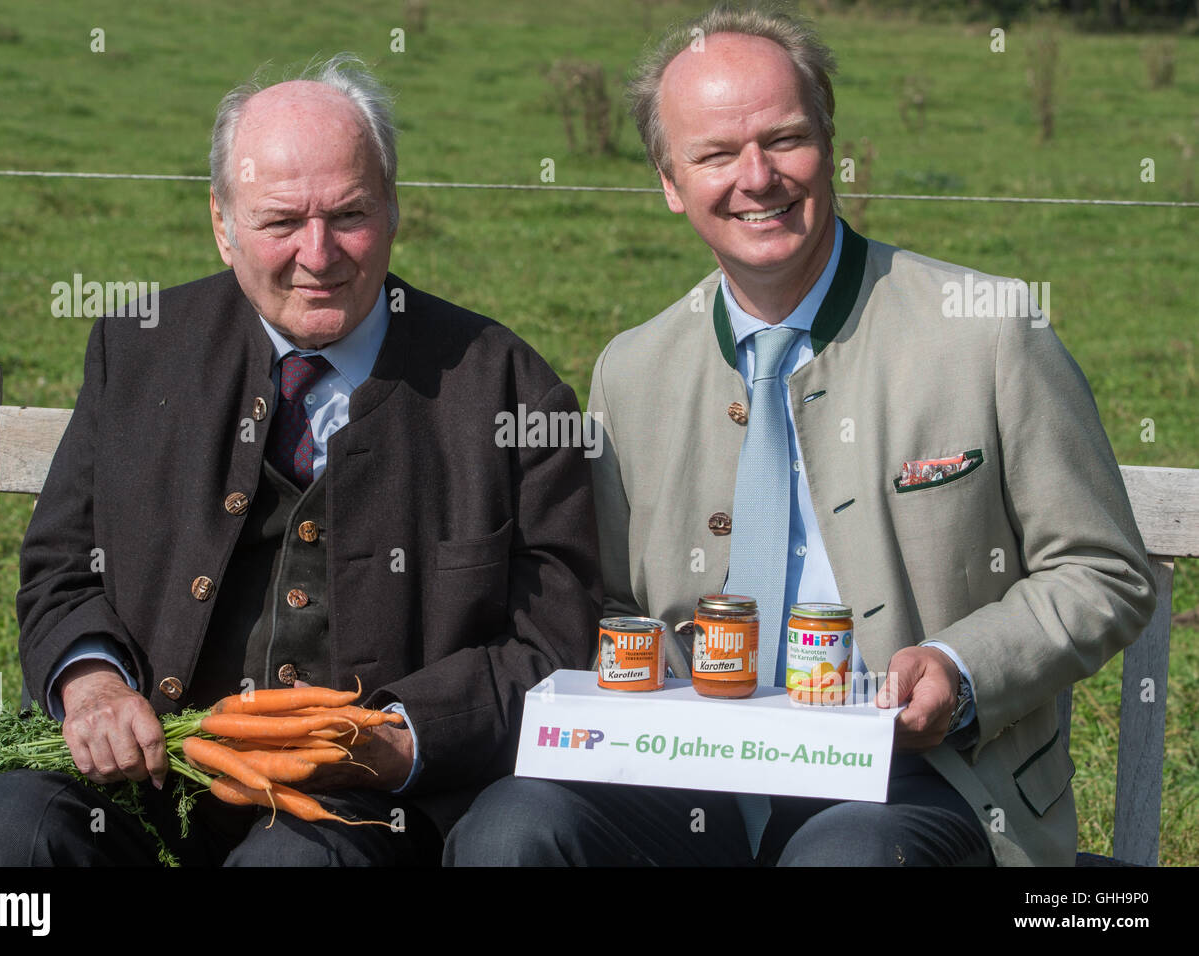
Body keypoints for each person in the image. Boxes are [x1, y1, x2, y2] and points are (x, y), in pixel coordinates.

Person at [445, 3, 1154, 867]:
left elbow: (1102, 569)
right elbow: (621, 604)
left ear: (831, 145)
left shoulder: (988, 328)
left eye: (784, 139)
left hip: (927, 779)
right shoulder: (632, 369)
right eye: (713, 154)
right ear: (672, 185)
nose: (757, 177)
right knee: (509, 831)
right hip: (691, 776)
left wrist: (960, 670)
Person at [0, 55, 600, 866]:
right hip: (145, 785)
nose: (318, 255)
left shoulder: (509, 389)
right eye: (282, 221)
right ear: (222, 223)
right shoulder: (137, 349)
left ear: (394, 208)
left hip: (363, 812)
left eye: (349, 214)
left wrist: (396, 737)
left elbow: (552, 638)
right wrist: (96, 686)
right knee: (4, 837)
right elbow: (61, 569)